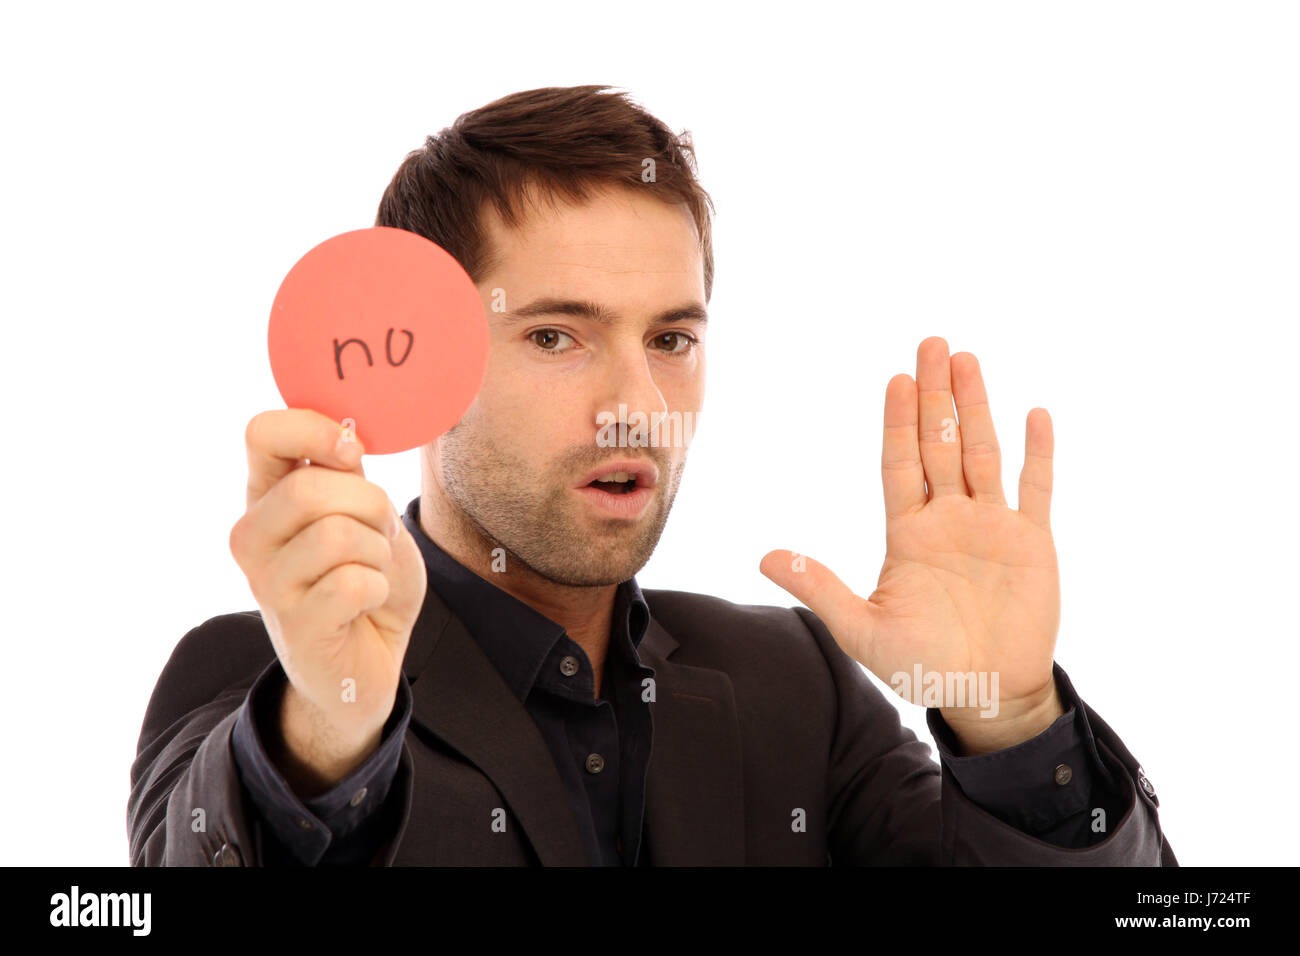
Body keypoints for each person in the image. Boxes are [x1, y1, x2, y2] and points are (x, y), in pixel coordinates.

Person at [129, 85, 1174, 866]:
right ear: (427, 361)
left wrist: (1009, 718)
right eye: (553, 336)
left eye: (671, 338)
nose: (635, 402)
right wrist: (330, 722)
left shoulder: (794, 682)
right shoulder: (252, 674)